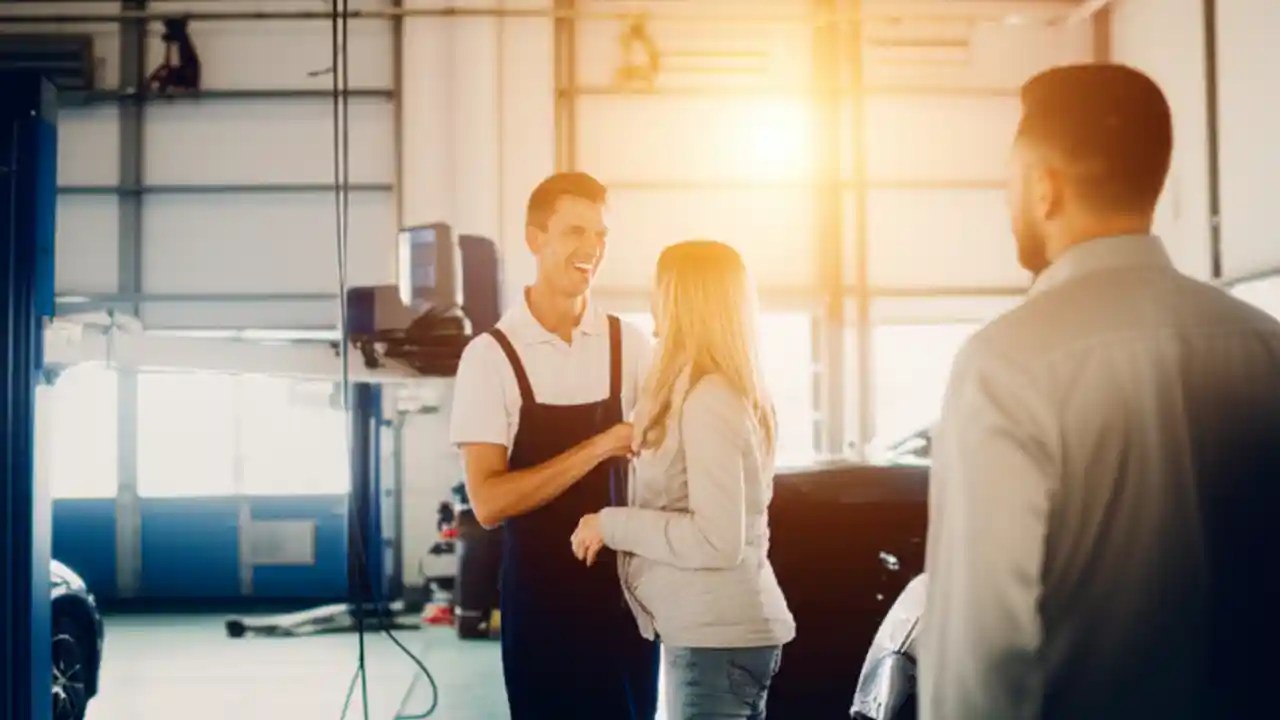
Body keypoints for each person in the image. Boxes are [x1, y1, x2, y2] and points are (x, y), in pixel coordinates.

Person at [918, 63, 1280, 720]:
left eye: (1010, 184)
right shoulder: (1266, 346)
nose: (1007, 206)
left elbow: (982, 652)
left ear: (1044, 189)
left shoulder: (1006, 364)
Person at [449, 172, 660, 719]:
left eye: (601, 235)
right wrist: (598, 447)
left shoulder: (628, 344)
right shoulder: (491, 357)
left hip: (624, 603)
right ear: (534, 238)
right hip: (540, 608)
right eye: (574, 231)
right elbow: (489, 503)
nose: (591, 248)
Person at [571, 240, 796, 720]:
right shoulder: (710, 391)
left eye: (660, 290)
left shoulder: (710, 399)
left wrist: (609, 524)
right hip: (716, 634)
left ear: (683, 301)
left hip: (715, 640)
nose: (652, 303)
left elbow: (717, 541)